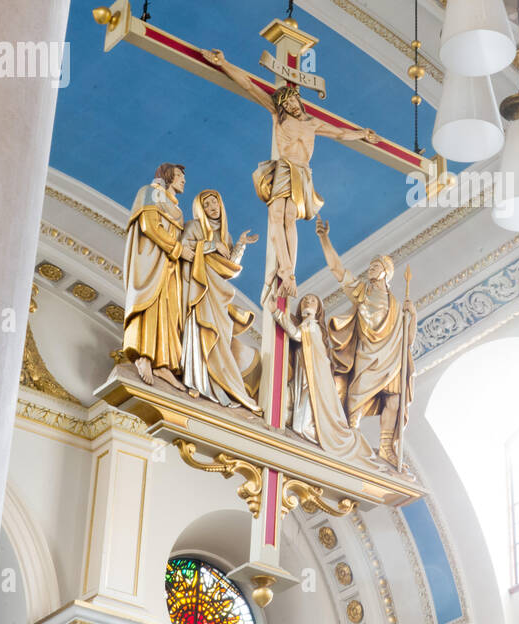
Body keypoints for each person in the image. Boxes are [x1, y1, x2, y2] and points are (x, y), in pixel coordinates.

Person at [202, 48, 378, 304]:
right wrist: (224, 63)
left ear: (299, 100)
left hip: (302, 173)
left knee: (288, 218)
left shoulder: (312, 123)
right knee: (276, 216)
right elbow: (250, 86)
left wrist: (362, 134)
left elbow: (340, 133)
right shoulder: (277, 115)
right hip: (283, 169)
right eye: (285, 103)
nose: (290, 105)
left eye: (292, 100)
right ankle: (285, 270)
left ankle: (289, 272)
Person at [314, 218, 416, 469]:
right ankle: (348, 440)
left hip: (391, 357)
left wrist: (412, 315)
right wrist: (324, 239)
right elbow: (338, 270)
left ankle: (385, 448)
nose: (370, 269)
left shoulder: (397, 304)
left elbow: (407, 341)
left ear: (386, 272)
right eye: (370, 266)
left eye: (375, 266)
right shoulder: (361, 291)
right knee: (355, 401)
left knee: (393, 398)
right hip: (366, 356)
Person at [179, 189, 262, 412]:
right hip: (199, 287)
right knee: (199, 330)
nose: (211, 207)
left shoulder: (225, 236)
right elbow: (182, 248)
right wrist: (210, 245)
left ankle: (217, 384)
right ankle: (195, 380)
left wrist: (241, 245)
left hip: (218, 291)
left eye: (214, 202)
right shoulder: (193, 227)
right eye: (206, 205)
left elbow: (230, 268)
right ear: (200, 209)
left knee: (220, 335)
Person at [272, 293, 377, 467]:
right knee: (283, 410)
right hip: (302, 381)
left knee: (303, 426)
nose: (307, 301)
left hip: (312, 384)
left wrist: (275, 312)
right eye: (305, 300)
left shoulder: (312, 325)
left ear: (318, 309)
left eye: (313, 300)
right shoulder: (308, 324)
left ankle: (326, 439)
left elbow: (296, 334)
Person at [122, 162, 188, 391]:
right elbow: (149, 225)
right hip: (151, 260)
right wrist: (177, 249)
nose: (183, 180)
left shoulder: (176, 208)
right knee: (149, 305)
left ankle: (163, 363)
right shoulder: (149, 193)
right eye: (179, 175)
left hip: (169, 266)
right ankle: (144, 356)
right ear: (168, 176)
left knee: (169, 311)